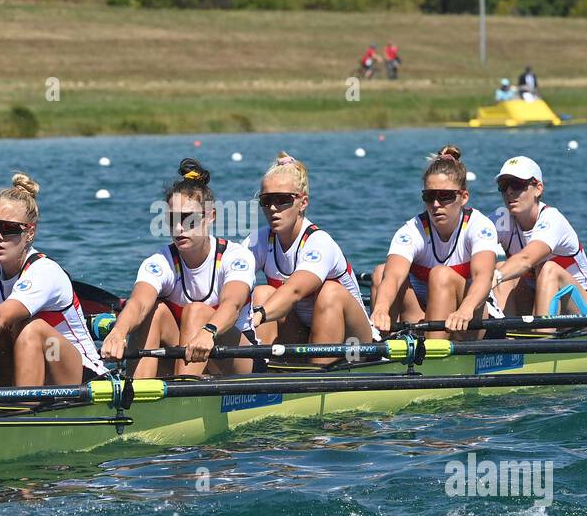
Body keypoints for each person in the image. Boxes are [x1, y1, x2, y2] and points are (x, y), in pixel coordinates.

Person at [0, 173, 107, 387]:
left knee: (28, 329)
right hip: (29, 366)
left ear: (30, 233)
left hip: (81, 375)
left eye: (8, 229)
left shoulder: (44, 271)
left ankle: (23, 412)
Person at [102, 159, 256, 379]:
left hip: (238, 360)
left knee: (197, 311)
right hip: (188, 351)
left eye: (188, 218)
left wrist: (209, 331)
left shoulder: (235, 256)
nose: (178, 228)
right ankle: (137, 393)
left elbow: (232, 304)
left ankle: (183, 396)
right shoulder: (160, 261)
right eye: (172, 219)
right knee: (153, 310)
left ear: (210, 217)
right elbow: (138, 303)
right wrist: (118, 331)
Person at [245, 152, 376, 362]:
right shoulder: (260, 240)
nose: (272, 208)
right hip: (304, 335)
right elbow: (231, 278)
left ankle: (316, 379)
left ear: (303, 203)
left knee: (330, 292)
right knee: (262, 293)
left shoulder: (318, 242)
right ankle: (264, 375)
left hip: (355, 345)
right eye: (266, 200)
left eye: (283, 200)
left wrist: (257, 316)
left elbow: (294, 290)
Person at [370, 146, 504, 339]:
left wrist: (465, 309)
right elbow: (392, 277)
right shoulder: (412, 230)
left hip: (472, 319)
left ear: (464, 197)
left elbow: (483, 278)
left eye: (445, 196)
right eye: (429, 196)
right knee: (381, 272)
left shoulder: (480, 226)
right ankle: (383, 345)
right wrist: (381, 308)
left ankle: (433, 355)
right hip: (425, 317)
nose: (436, 205)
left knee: (441, 275)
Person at [492, 156, 587, 316]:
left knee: (548, 269)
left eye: (517, 185)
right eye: (504, 186)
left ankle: (542, 335)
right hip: (536, 301)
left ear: (538, 188)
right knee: (500, 267)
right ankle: (505, 334)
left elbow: (525, 260)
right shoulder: (501, 218)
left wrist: (489, 281)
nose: (509, 191)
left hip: (586, 310)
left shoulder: (551, 218)